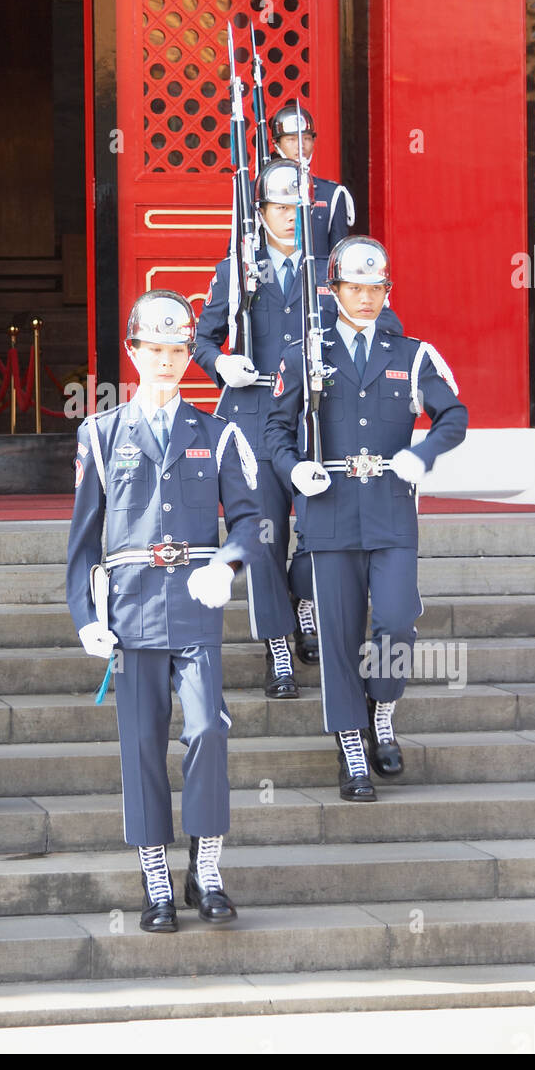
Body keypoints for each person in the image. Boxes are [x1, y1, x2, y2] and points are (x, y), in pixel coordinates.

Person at [66, 290, 262, 931]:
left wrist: (226, 566)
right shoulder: (99, 434)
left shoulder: (218, 431)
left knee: (208, 730)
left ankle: (206, 867)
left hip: (196, 605)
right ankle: (155, 877)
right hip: (132, 612)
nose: (168, 361)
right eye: (156, 350)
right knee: (141, 745)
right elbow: (83, 540)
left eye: (179, 350)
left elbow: (252, 522)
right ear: (133, 352)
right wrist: (85, 617)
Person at [264, 236, 467, 800]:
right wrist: (292, 470)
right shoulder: (306, 352)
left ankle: (382, 709)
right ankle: (352, 747)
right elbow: (275, 429)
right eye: (355, 287)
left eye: (376, 289)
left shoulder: (411, 353)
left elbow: (454, 414)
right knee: (336, 634)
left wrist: (420, 455)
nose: (366, 298)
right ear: (333, 291)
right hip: (329, 510)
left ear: (387, 292)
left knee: (397, 621)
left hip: (390, 508)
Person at [196, 159, 404, 697]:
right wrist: (220, 364)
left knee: (318, 536)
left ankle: (303, 598)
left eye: (298, 207)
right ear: (259, 211)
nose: (290, 216)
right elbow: (201, 339)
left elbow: (386, 326)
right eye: (278, 207)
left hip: (316, 423)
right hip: (251, 416)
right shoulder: (235, 268)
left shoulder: (328, 271)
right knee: (263, 536)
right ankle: (279, 647)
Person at [266, 103, 354, 252]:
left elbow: (338, 254)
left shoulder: (332, 194)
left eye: (306, 138)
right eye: (291, 139)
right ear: (276, 145)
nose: (300, 145)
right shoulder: (257, 190)